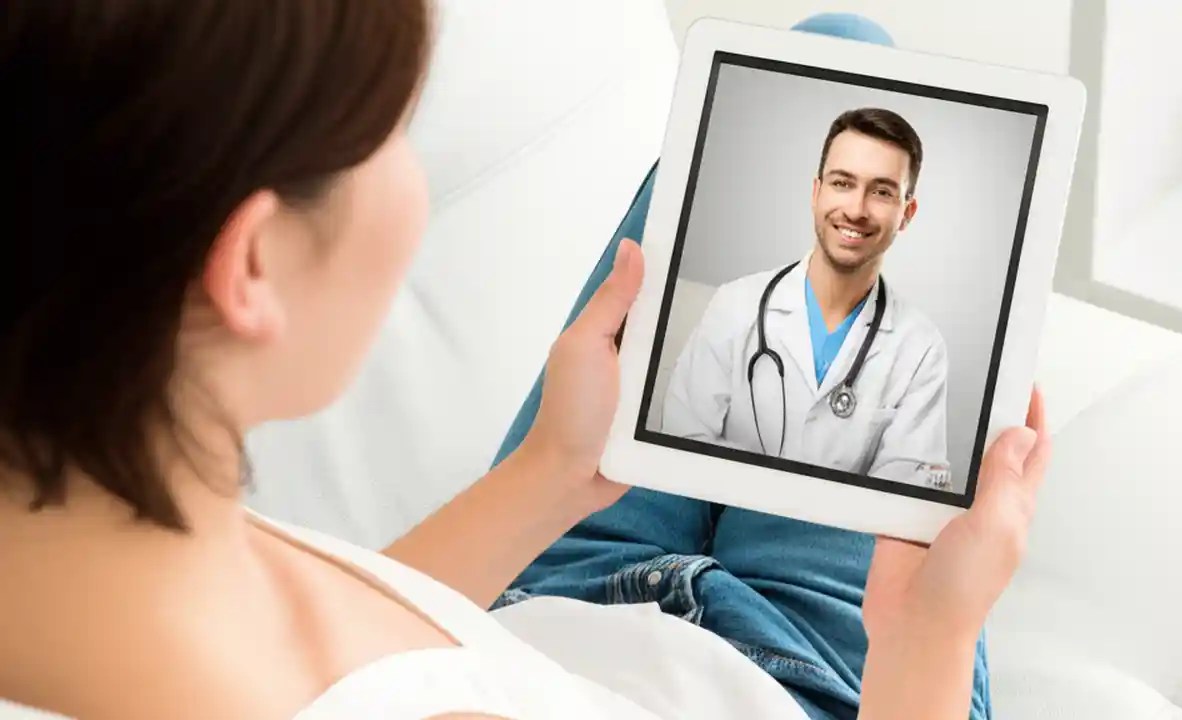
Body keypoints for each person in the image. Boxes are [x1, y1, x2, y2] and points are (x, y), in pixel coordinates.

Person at [0, 4, 1051, 720]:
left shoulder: (95, 533)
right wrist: (927, 641)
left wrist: (548, 473)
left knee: (831, 52)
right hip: (830, 679)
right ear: (254, 265)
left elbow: (330, 646)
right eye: (386, 136)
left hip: (547, 592)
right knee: (841, 57)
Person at [661, 107, 951, 489]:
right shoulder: (734, 305)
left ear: (906, 213)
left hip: (835, 546)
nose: (856, 209)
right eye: (842, 183)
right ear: (816, 193)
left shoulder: (921, 348)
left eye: (881, 192)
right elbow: (678, 447)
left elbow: (905, 496)